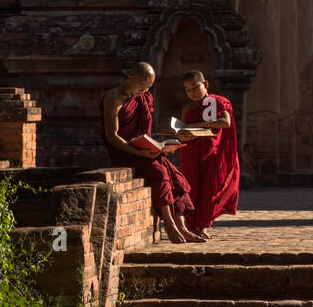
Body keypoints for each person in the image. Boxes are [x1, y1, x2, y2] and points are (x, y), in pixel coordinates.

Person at [101, 62, 205, 244]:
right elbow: (113, 137)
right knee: (160, 173)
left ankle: (182, 227)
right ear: (129, 78)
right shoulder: (114, 99)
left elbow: (145, 133)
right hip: (125, 151)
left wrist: (162, 144)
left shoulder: (144, 97)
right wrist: (140, 153)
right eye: (141, 85)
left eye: (148, 86)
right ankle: (170, 224)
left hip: (144, 149)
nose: (144, 90)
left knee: (176, 177)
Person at [176, 70, 239, 240]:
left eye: (195, 87)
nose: (192, 92)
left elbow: (225, 122)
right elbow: (182, 131)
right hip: (190, 152)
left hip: (212, 152)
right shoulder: (188, 108)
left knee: (209, 189)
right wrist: (182, 134)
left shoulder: (216, 101)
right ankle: (190, 226)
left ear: (205, 84)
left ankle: (202, 225)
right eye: (187, 89)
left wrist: (196, 125)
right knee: (191, 187)